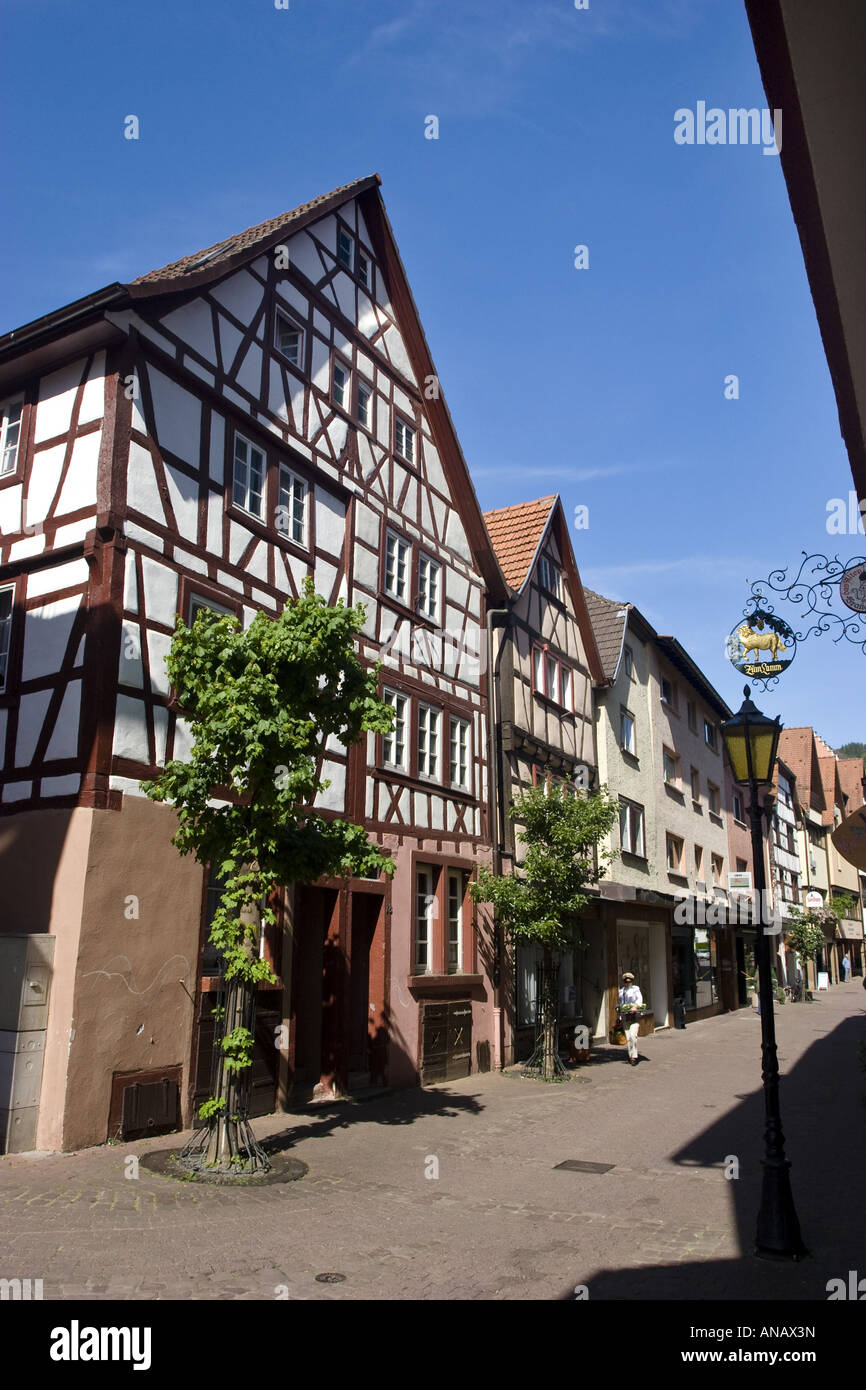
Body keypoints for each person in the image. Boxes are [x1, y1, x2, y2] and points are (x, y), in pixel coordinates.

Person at [618, 971, 643, 1066]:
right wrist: (619, 1012)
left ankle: (634, 1056)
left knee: (633, 1035)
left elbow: (639, 999)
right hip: (625, 1015)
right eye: (626, 981)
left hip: (634, 1015)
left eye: (629, 981)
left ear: (631, 981)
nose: (627, 982)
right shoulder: (621, 991)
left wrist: (636, 1006)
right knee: (628, 1037)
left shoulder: (635, 989)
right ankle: (631, 1056)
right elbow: (620, 1003)